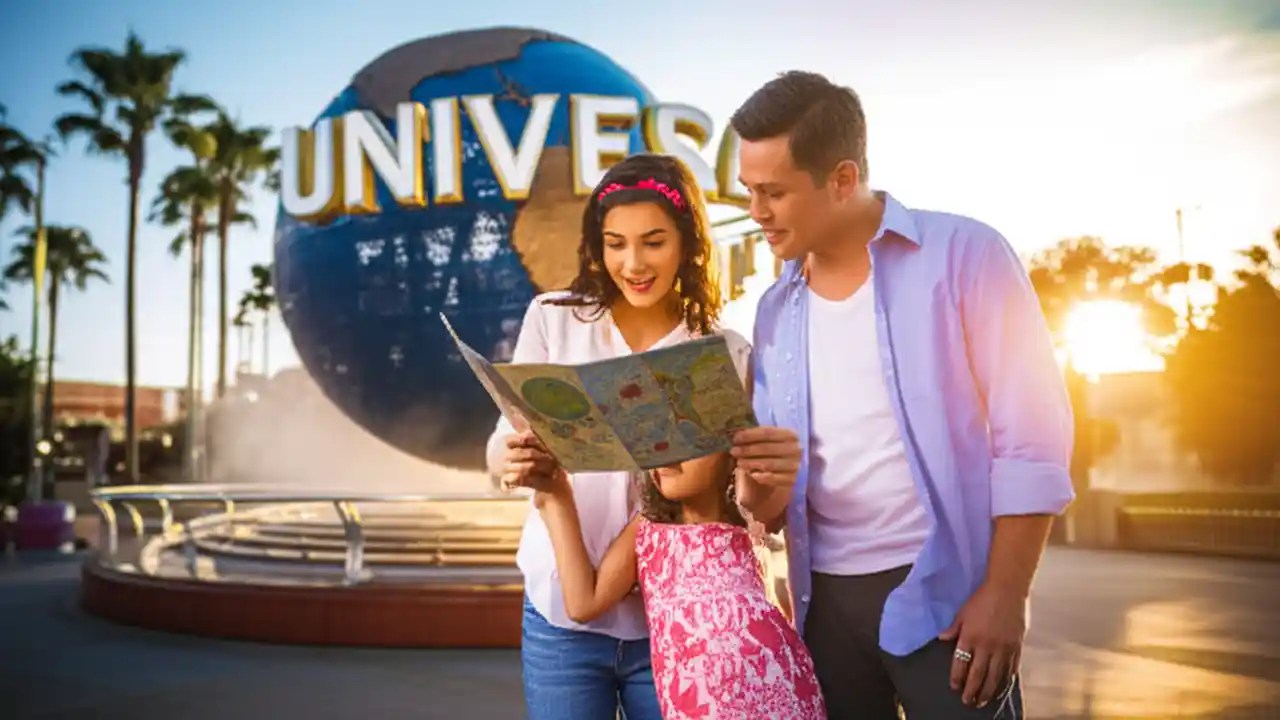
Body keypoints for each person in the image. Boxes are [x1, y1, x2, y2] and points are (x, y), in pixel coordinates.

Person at [728, 70, 1075, 719]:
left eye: (773, 192)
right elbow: (769, 505)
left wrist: (1006, 594)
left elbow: (1032, 440)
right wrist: (756, 485)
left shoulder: (968, 256)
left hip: (948, 605)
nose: (756, 212)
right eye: (748, 190)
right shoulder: (775, 309)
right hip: (821, 606)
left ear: (841, 177)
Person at [487, 153, 741, 720]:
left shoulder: (720, 350)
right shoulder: (554, 317)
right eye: (615, 243)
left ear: (688, 244)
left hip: (674, 618)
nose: (633, 263)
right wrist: (513, 457)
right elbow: (503, 438)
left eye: (653, 242)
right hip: (560, 618)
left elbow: (725, 494)